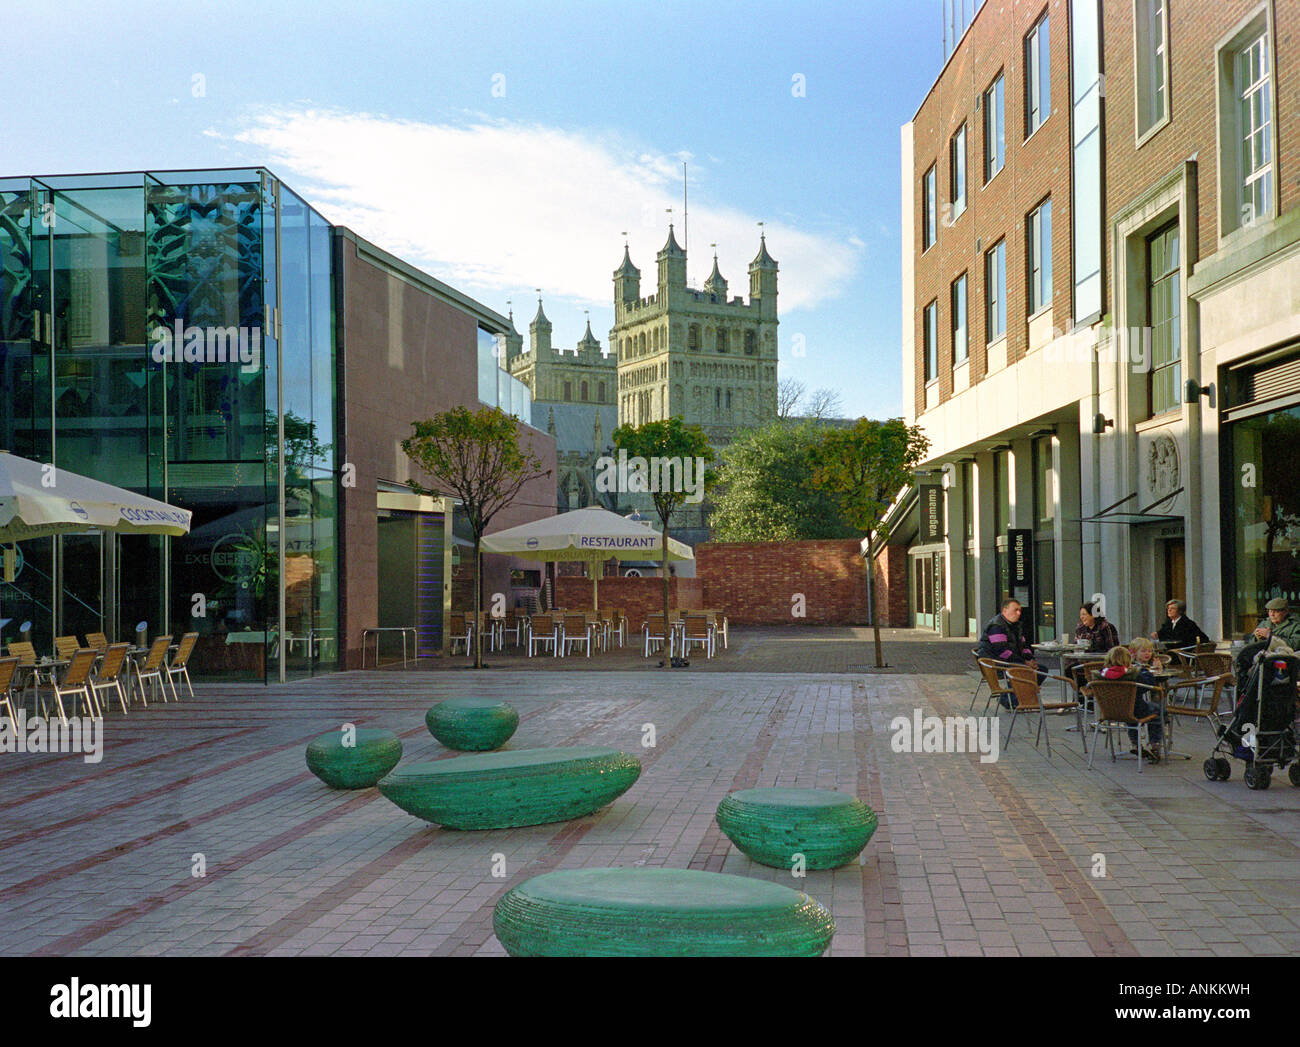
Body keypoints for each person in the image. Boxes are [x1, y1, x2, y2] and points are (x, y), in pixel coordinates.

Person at [1098, 645, 1162, 763]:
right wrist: (1143, 669)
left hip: (1110, 711)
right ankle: (1155, 744)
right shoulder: (1133, 675)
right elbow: (1149, 684)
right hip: (1136, 710)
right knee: (1158, 710)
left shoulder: (1101, 674)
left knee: (1130, 713)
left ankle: (1135, 744)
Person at [977, 598, 1041, 707]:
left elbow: (1023, 646)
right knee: (1023, 669)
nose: (1019, 613)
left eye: (1020, 610)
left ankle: (1013, 698)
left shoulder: (1016, 626)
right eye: (1015, 610)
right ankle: (1012, 701)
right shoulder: (996, 626)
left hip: (1011, 660)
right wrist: (1025, 662)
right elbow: (1002, 651)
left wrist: (1030, 659)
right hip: (996, 663)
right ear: (1004, 611)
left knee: (1041, 670)